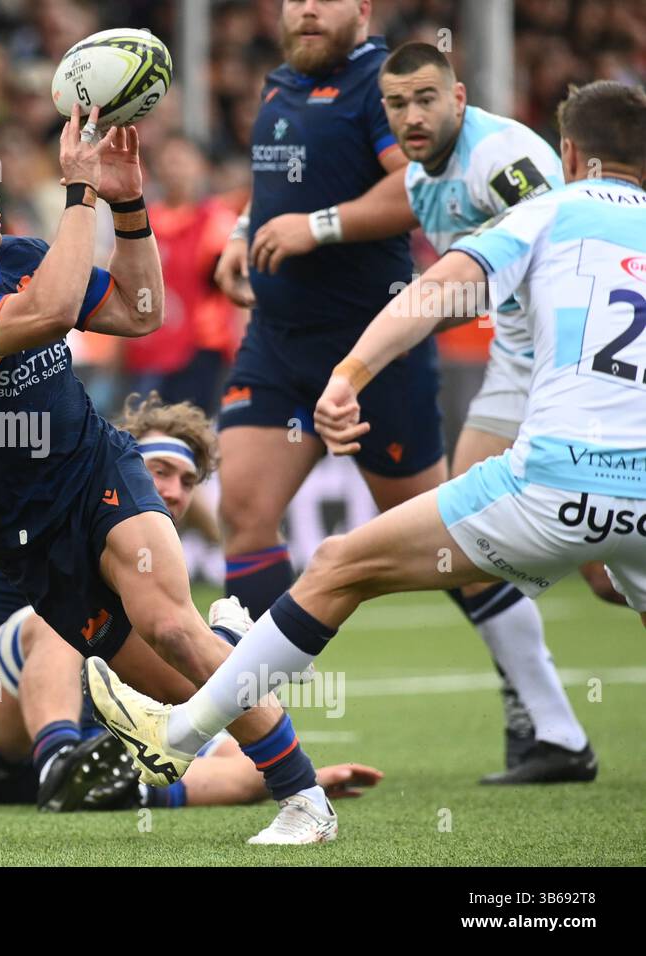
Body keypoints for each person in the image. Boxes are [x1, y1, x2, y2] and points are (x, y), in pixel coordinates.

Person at [86, 81, 646, 800]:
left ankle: (183, 734)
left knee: (338, 566)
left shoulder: (547, 210)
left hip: (553, 481)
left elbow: (435, 291)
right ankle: (557, 729)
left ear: (569, 153)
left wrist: (349, 374)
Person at [0, 104, 340, 844]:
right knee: (182, 689)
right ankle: (237, 694)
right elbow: (53, 309)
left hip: (98, 468)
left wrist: (124, 202)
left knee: (172, 629)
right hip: (32, 534)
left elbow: (139, 311)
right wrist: (79, 191)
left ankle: (304, 799)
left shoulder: (17, 256)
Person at [250, 41, 604, 784]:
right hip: (517, 354)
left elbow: (567, 260)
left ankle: (554, 729)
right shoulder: (419, 173)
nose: (411, 116)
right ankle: (556, 733)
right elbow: (466, 285)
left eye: (425, 100)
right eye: (396, 104)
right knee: (470, 541)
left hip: (567, 358)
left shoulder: (503, 160)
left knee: (600, 568)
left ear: (460, 98)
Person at [0, 392, 383, 811]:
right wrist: (239, 646)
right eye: (159, 472)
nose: (174, 492)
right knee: (65, 624)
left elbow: (218, 727)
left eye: (188, 482)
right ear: (118, 464)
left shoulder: (156, 583)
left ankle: (106, 786)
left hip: (54, 768)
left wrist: (300, 776)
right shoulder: (61, 515)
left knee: (244, 769)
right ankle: (59, 761)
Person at [211, 1, 441, 638]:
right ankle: (253, 717)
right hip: (277, 342)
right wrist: (242, 232)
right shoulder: (281, 81)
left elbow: (416, 189)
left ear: (363, 8)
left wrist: (316, 228)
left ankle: (539, 705)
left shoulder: (386, 83)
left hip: (371, 344)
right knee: (245, 511)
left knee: (443, 542)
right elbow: (280, 184)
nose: (307, 9)